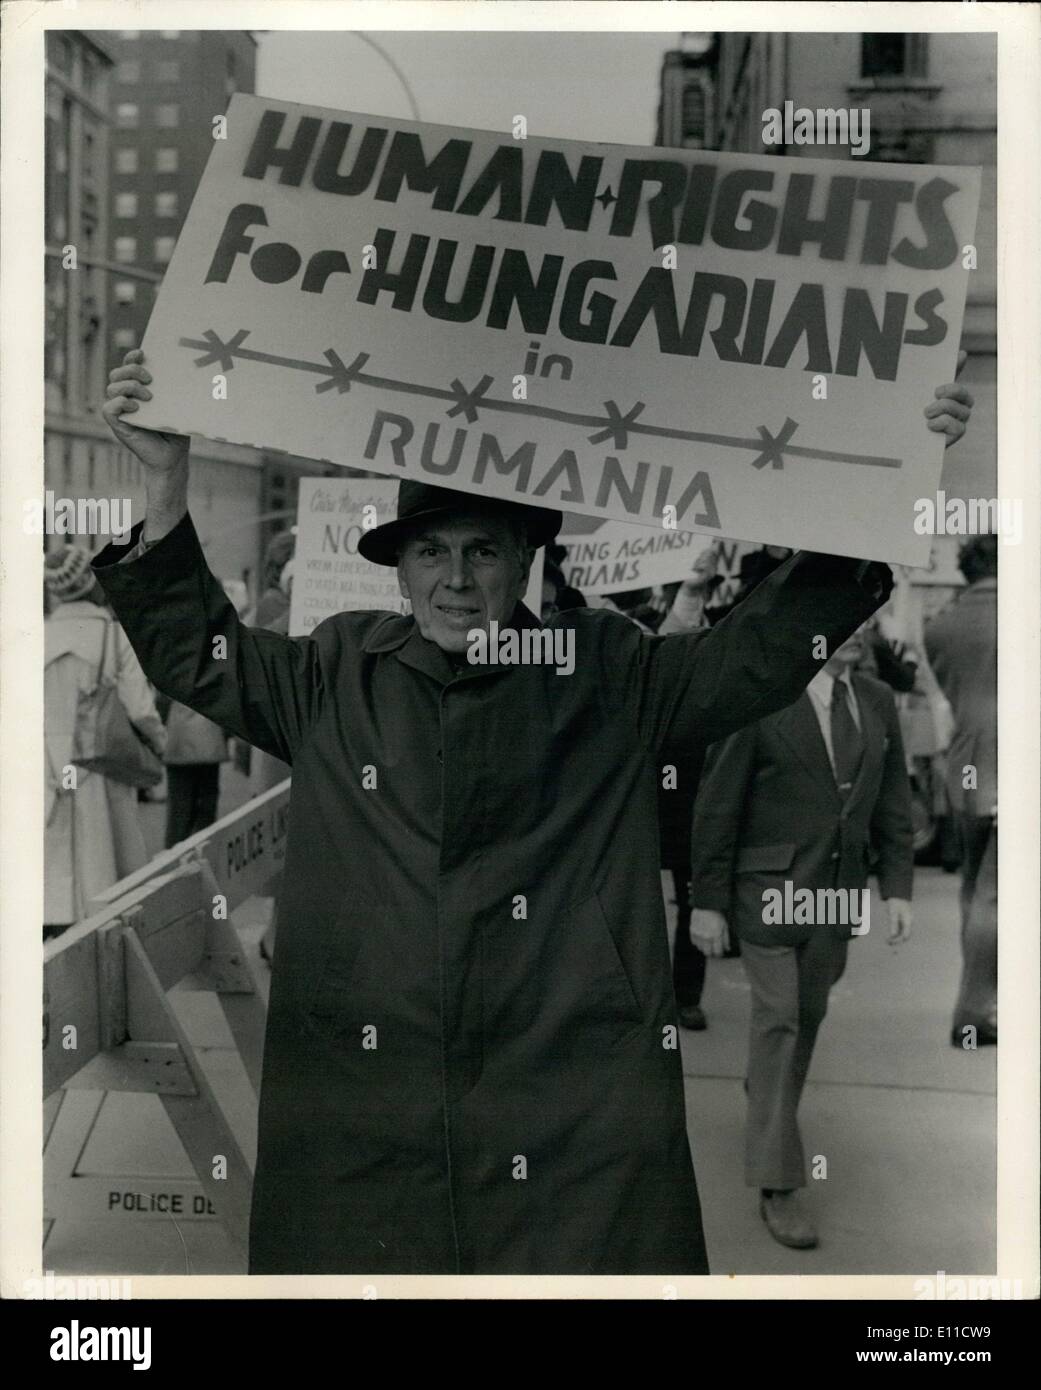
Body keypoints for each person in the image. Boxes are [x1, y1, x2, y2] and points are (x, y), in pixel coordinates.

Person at [92, 347, 968, 1276]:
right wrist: (165, 476)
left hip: (567, 1078)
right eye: (430, 551)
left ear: (524, 564)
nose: (455, 580)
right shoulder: (330, 671)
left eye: (482, 551)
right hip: (369, 1073)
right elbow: (196, 650)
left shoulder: (606, 670)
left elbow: (755, 655)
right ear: (398, 570)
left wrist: (889, 470)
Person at [688, 623, 914, 1250]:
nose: (858, 632)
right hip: (767, 896)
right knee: (781, 1020)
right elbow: (716, 805)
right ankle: (778, 1181)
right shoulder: (762, 696)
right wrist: (705, 904)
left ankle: (767, 1097)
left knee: (806, 1017)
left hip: (835, 898)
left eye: (866, 621)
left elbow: (892, 799)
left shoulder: (876, 701)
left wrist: (897, 887)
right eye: (844, 621)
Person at [44, 546, 166, 936]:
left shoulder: (33, 637)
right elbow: (141, 708)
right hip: (100, 765)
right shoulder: (112, 637)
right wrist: (158, 745)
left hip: (44, 767)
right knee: (105, 875)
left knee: (50, 880)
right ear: (92, 584)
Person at [924, 535, 998, 1046]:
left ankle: (979, 997)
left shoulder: (940, 626)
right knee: (995, 895)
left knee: (974, 888)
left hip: (966, 765)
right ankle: (974, 1010)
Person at [160, 698, 229, 847]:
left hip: (179, 739)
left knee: (179, 808)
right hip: (210, 738)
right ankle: (204, 850)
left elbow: (161, 702)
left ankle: (175, 854)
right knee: (206, 804)